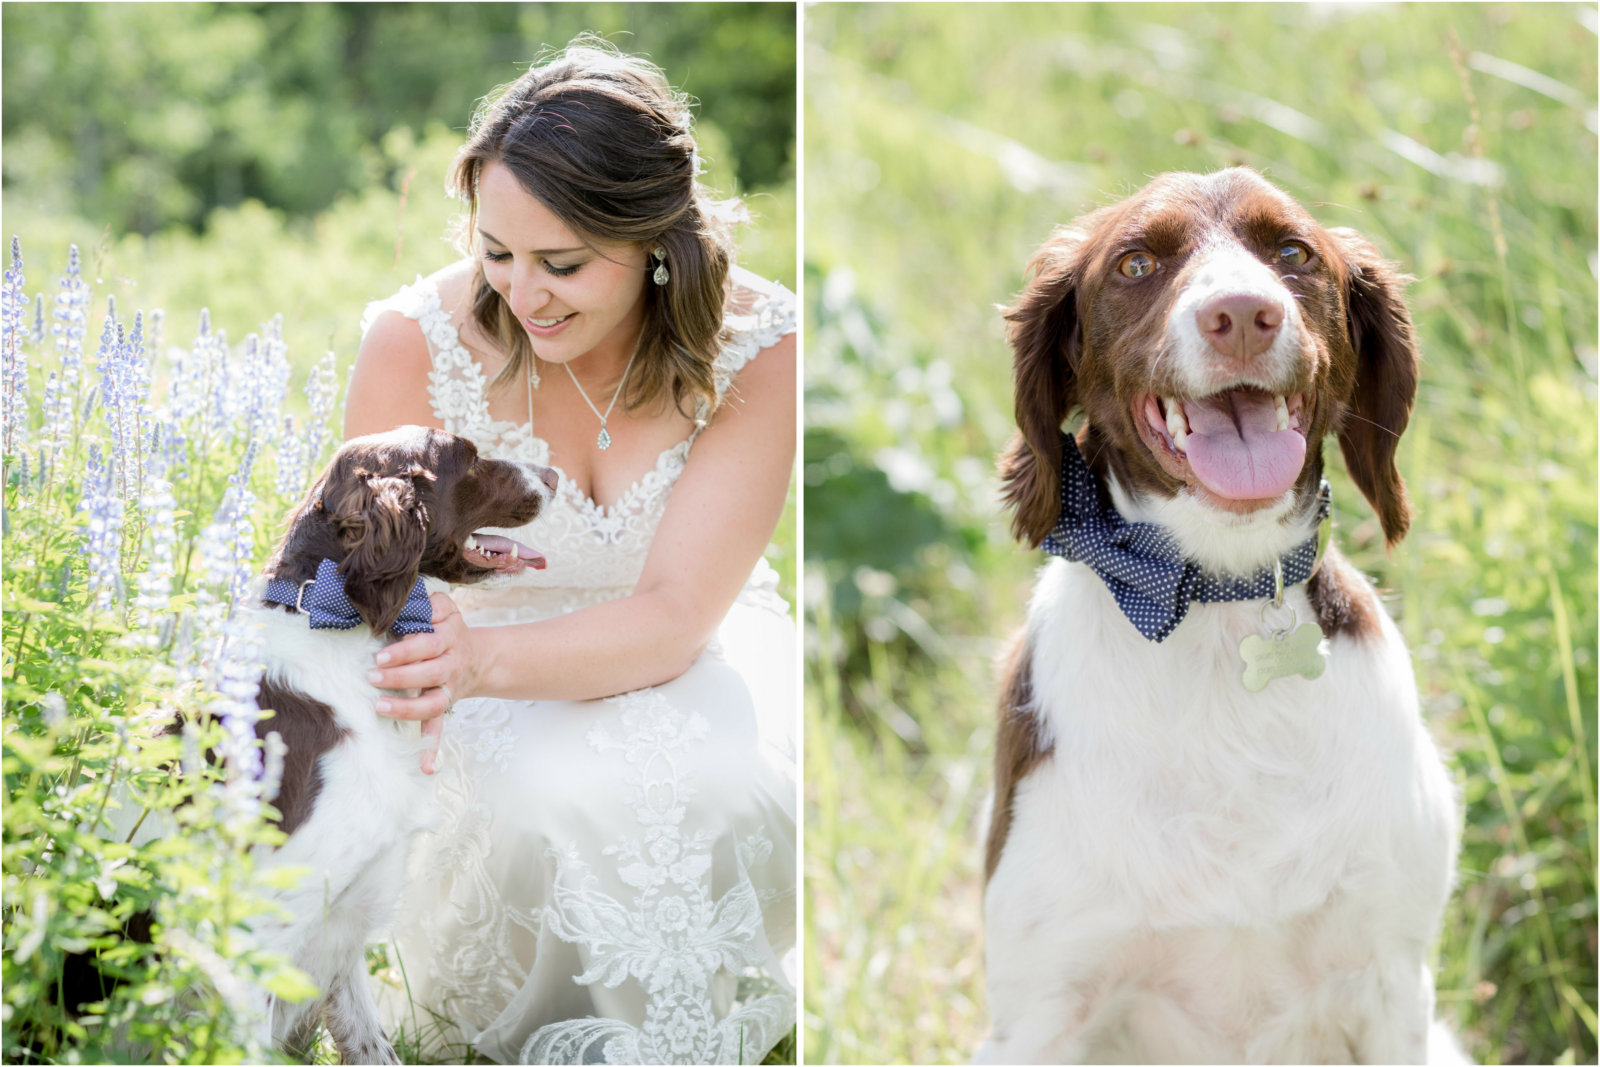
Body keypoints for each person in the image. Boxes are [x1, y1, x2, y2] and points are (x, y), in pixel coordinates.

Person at [343, 40, 797, 1066]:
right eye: (496, 251)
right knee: (547, 798)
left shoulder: (761, 346)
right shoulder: (413, 345)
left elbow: (680, 609)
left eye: (563, 263)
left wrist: (483, 661)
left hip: (694, 644)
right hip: (471, 660)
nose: (523, 294)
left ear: (652, 242)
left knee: (712, 782)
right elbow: (373, 583)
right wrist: (449, 660)